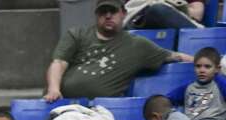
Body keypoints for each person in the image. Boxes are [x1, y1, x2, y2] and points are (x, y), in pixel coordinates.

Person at [44, 0, 192, 103]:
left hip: (102, 109)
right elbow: (58, 63)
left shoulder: (137, 45)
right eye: (103, 12)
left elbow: (175, 56)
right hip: (64, 103)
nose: (108, 16)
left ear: (123, 13)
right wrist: (54, 89)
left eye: (113, 11)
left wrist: (205, 61)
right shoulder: (77, 34)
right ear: (96, 15)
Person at [167, 47, 226, 120]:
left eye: (207, 67)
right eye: (198, 66)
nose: (202, 70)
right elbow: (166, 99)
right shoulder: (188, 87)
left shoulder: (221, 85)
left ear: (217, 69)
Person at [125, 0, 204, 29]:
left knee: (158, 9)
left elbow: (197, 14)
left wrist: (171, 4)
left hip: (166, 16)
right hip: (136, 19)